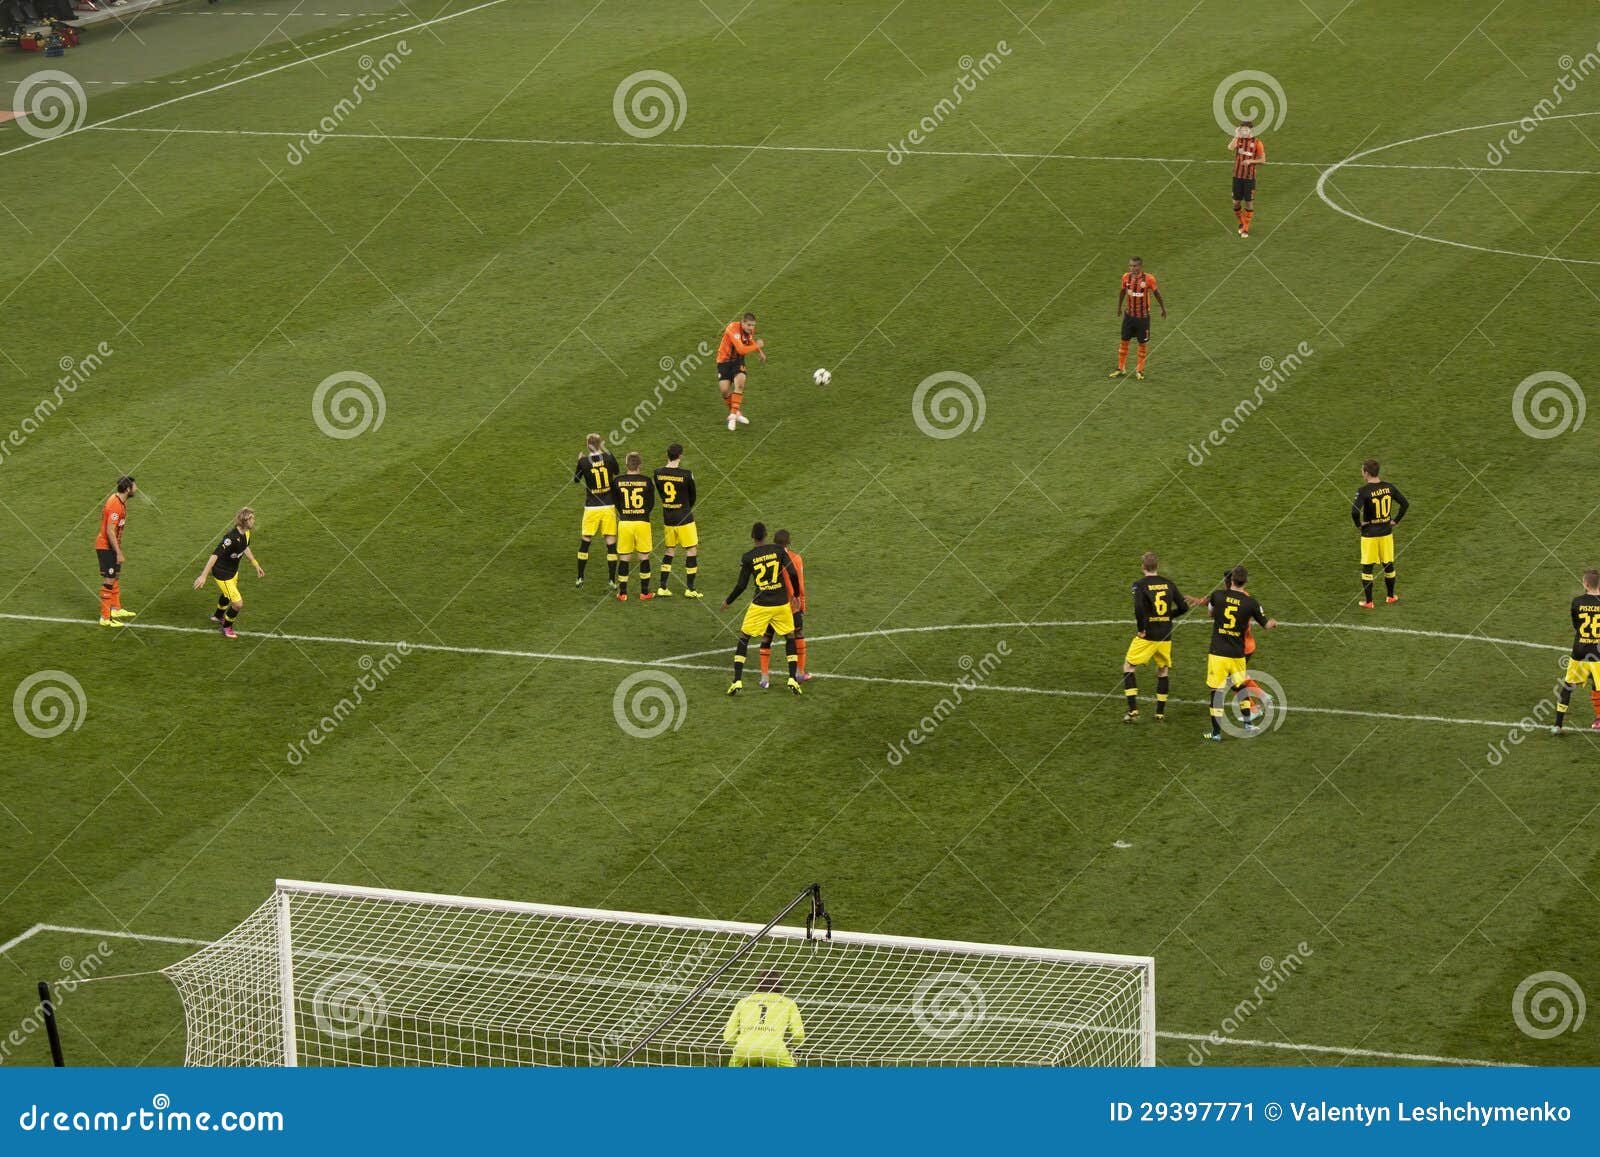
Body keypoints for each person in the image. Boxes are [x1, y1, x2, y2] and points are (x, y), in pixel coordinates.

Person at [723, 522, 802, 696]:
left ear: (752, 537)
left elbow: (741, 585)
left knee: (744, 638)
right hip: (781, 603)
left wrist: (728, 601)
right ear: (766, 535)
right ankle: (792, 679)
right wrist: (795, 595)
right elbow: (794, 573)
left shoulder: (748, 557)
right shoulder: (778, 550)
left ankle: (737, 681)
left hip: (761, 605)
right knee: (790, 637)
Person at [1203, 566, 1277, 741]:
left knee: (1216, 692)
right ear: (1246, 581)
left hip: (1218, 652)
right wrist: (1273, 623)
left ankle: (1216, 733)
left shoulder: (1217, 595)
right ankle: (1248, 725)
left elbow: (1210, 615)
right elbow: (1266, 625)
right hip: (1237, 653)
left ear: (1231, 580)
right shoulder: (1251, 603)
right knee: (1241, 687)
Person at [1122, 552, 1190, 722]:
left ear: (1142, 567)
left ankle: (1133, 711)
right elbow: (1183, 607)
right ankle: (1160, 713)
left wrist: (1141, 629)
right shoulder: (1169, 584)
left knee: (1129, 666)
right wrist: (1168, 616)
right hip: (1165, 634)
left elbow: (1138, 608)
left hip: (1148, 634)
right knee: (1163, 670)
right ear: (1157, 567)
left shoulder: (1139, 585)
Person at [192, 508, 265, 639]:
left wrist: (255, 564)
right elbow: (214, 555)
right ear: (245, 521)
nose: (254, 520)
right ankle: (226, 627)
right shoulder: (230, 538)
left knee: (227, 594)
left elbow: (245, 547)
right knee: (238, 604)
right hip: (222, 573)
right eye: (251, 518)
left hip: (232, 571)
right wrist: (203, 576)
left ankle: (218, 616)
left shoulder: (246, 533)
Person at [1352, 458, 1409, 608]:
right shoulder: (1389, 487)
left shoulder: (1363, 491)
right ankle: (1390, 596)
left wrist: (1359, 525)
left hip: (1370, 535)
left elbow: (1354, 512)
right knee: (1388, 565)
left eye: (1362, 470)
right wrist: (1395, 521)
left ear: (1366, 473)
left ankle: (1369, 602)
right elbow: (1405, 504)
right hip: (1386, 533)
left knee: (1367, 568)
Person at [760, 529, 809, 688]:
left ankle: (765, 677)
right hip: (790, 605)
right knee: (797, 635)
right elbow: (799, 583)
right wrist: (801, 602)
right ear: (788, 543)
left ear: (774, 542)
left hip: (770, 603)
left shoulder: (768, 559)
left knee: (767, 637)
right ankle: (800, 673)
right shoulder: (795, 558)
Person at [1552, 569, 1600, 734]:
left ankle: (1557, 724)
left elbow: (1576, 625)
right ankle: (1599, 719)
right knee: (1598, 685)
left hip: (1579, 651)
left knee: (1568, 685)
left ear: (1585, 584)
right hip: (1598, 653)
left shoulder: (1577, 602)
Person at [723, 971, 805, 1067]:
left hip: (744, 1049)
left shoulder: (743, 1002)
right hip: (774, 1050)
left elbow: (728, 1036)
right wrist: (796, 1049)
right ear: (780, 985)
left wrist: (738, 1047)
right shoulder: (789, 1003)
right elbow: (798, 1035)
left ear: (758, 984)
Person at [653, 444, 700, 597]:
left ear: (667, 455)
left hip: (668, 517)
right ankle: (690, 589)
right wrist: (685, 507)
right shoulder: (686, 474)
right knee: (691, 550)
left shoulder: (657, 473)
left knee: (669, 550)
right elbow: (693, 496)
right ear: (680, 456)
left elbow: (661, 493)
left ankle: (662, 587)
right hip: (684, 516)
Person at [574, 434, 620, 589]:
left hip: (591, 507)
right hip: (608, 506)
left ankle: (580, 577)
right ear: (600, 444)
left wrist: (578, 462)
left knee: (586, 541)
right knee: (611, 543)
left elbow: (576, 479)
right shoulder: (608, 457)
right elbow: (617, 471)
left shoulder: (583, 461)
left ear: (588, 445)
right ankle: (612, 580)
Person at [1109, 257, 1166, 381]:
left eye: (1135, 266)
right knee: (1124, 341)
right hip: (1129, 316)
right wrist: (1119, 307)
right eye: (1130, 266)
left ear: (1140, 267)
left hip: (1143, 318)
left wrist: (1162, 308)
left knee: (1142, 343)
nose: (1132, 268)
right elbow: (1123, 292)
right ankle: (1121, 368)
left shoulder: (1149, 279)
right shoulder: (1126, 277)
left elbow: (1157, 293)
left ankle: (1139, 371)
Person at [94, 475, 138, 628]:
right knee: (109, 579)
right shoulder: (116, 505)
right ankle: (105, 617)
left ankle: (115, 609)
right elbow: (110, 531)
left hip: (112, 546)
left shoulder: (118, 499)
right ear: (127, 489)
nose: (136, 489)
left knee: (115, 576)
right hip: (106, 546)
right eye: (134, 486)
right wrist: (118, 552)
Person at [612, 452, 655, 602]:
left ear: (626, 464)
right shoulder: (647, 481)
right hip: (642, 522)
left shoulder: (617, 481)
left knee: (624, 558)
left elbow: (616, 502)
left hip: (625, 523)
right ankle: (644, 592)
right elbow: (651, 504)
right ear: (640, 465)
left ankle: (622, 593)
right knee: (644, 557)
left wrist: (625, 513)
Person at [716, 312, 765, 431]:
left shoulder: (749, 331)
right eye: (749, 325)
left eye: (753, 325)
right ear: (742, 323)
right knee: (724, 391)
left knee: (740, 384)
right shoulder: (732, 328)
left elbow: (750, 341)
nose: (751, 328)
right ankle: (736, 413)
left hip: (738, 361)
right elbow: (741, 349)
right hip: (723, 361)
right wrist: (757, 346)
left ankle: (732, 416)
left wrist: (760, 352)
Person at [1228, 119, 1266, 237]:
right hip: (1237, 177)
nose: (1244, 131)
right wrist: (1236, 135)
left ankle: (1245, 229)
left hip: (1249, 178)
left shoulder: (1257, 143)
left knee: (1249, 204)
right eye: (1242, 129)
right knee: (1236, 203)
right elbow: (1230, 147)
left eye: (1245, 129)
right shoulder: (1239, 140)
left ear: (1250, 130)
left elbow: (1263, 160)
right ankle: (1241, 223)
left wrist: (1251, 161)